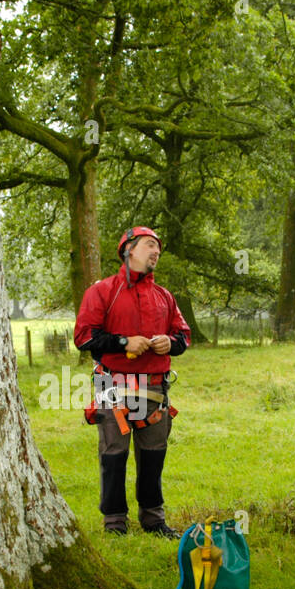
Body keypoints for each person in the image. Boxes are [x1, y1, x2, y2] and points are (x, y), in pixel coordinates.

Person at [74, 226, 190, 537]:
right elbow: (84, 337)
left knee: (153, 455)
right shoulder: (102, 292)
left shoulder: (164, 296)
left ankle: (153, 520)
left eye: (159, 249)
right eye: (150, 245)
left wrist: (171, 342)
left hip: (154, 388)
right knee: (114, 455)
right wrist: (124, 342)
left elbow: (184, 336)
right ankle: (114, 524)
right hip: (113, 386)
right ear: (128, 249)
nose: (156, 252)